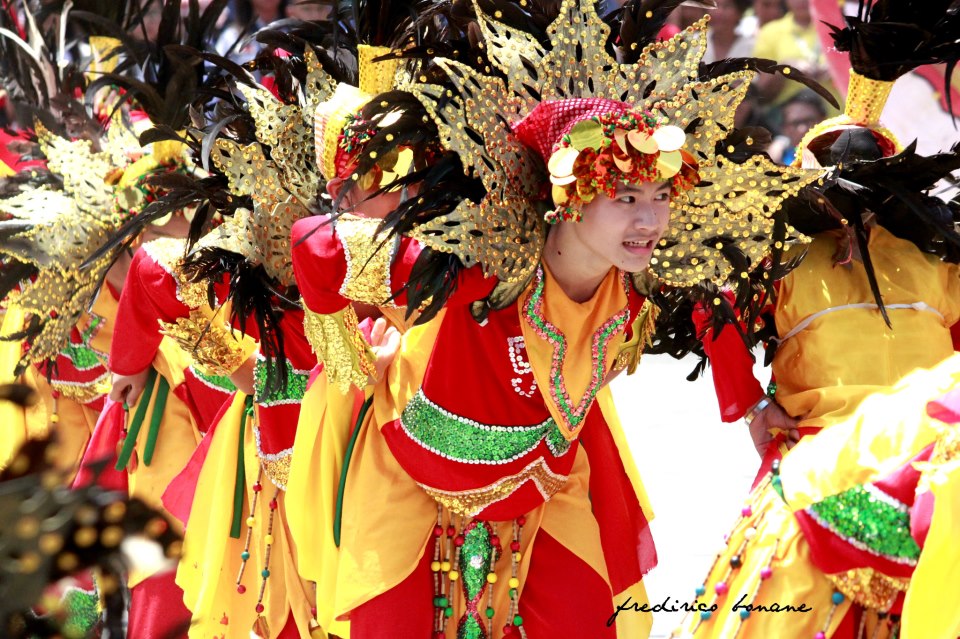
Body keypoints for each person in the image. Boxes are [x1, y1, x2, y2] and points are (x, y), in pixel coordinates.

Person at [288, 1, 821, 637]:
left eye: (659, 199)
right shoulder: (476, 269)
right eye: (625, 199)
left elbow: (710, 297)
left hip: (545, 489)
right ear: (570, 198)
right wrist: (346, 352)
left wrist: (754, 407)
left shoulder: (643, 273)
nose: (649, 221)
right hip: (411, 488)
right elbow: (313, 240)